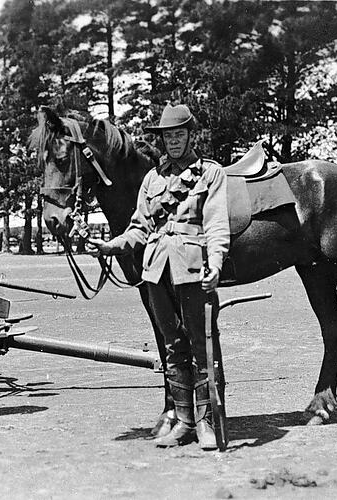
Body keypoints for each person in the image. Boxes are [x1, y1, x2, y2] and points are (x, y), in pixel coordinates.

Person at [87, 104, 230, 449]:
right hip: (156, 270)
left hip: (192, 268)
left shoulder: (210, 174)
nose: (174, 141)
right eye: (168, 136)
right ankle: (183, 421)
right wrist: (111, 246)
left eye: (179, 134)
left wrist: (216, 261)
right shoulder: (152, 178)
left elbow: (215, 224)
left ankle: (206, 422)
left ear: (190, 135)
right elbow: (139, 228)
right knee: (172, 345)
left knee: (202, 344)